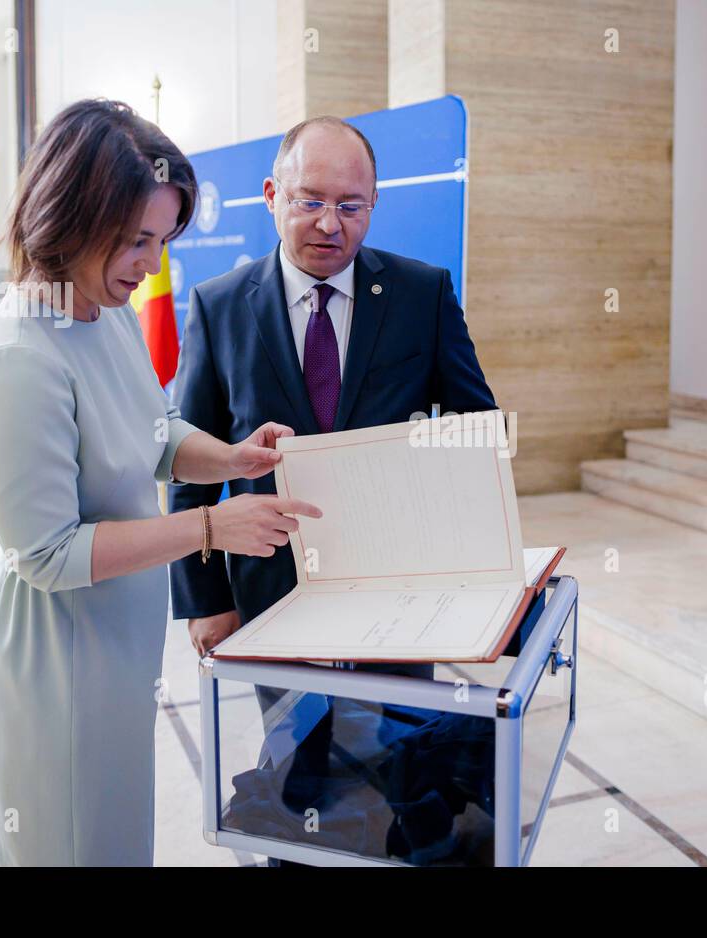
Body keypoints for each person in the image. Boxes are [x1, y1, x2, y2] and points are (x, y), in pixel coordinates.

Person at [0, 99, 321, 866]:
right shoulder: (18, 360)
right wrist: (207, 529)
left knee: (117, 841)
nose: (151, 265)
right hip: (59, 662)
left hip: (118, 646)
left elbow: (155, 431)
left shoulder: (105, 311)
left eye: (162, 241)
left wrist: (230, 459)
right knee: (72, 846)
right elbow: (47, 553)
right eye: (135, 241)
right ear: (68, 216)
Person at [169, 115, 496, 655]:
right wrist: (204, 599)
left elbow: (474, 430)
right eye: (310, 201)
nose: (329, 224)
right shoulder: (218, 306)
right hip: (270, 585)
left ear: (373, 205)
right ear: (272, 196)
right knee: (294, 739)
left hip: (400, 578)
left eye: (350, 206)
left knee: (400, 731)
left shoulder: (422, 294)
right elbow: (190, 467)